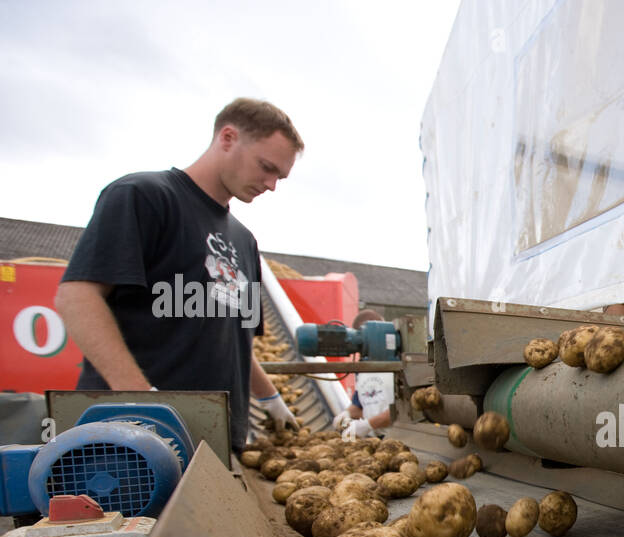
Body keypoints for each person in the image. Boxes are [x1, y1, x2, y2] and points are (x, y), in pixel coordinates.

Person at [55, 97, 305, 453]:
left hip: (213, 439)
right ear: (228, 138)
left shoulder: (244, 241)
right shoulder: (143, 197)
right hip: (132, 439)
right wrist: (142, 401)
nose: (271, 184)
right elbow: (77, 297)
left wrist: (270, 399)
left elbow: (232, 340)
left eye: (280, 176)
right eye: (266, 167)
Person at [332, 308, 394, 440]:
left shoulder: (397, 363)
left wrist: (368, 425)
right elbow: (361, 405)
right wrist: (347, 413)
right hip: (374, 439)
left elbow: (403, 410)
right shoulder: (362, 368)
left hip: (398, 438)